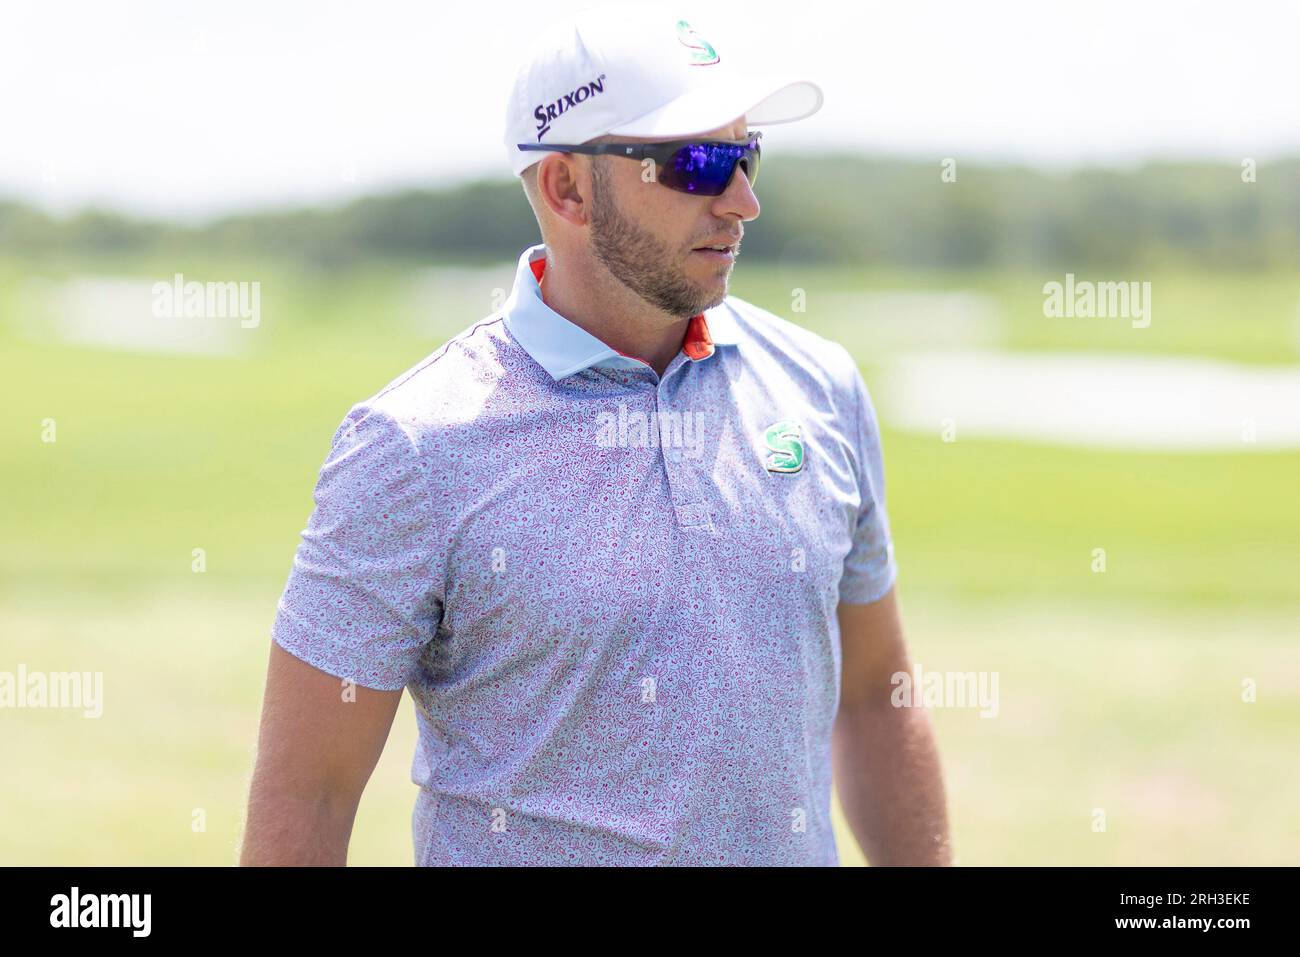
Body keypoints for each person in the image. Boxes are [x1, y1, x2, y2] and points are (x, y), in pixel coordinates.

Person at [240, 2, 951, 866]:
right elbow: (305, 799)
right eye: (699, 161)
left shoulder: (821, 387)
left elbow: (875, 696)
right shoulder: (411, 448)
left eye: (747, 153)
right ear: (567, 187)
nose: (744, 200)